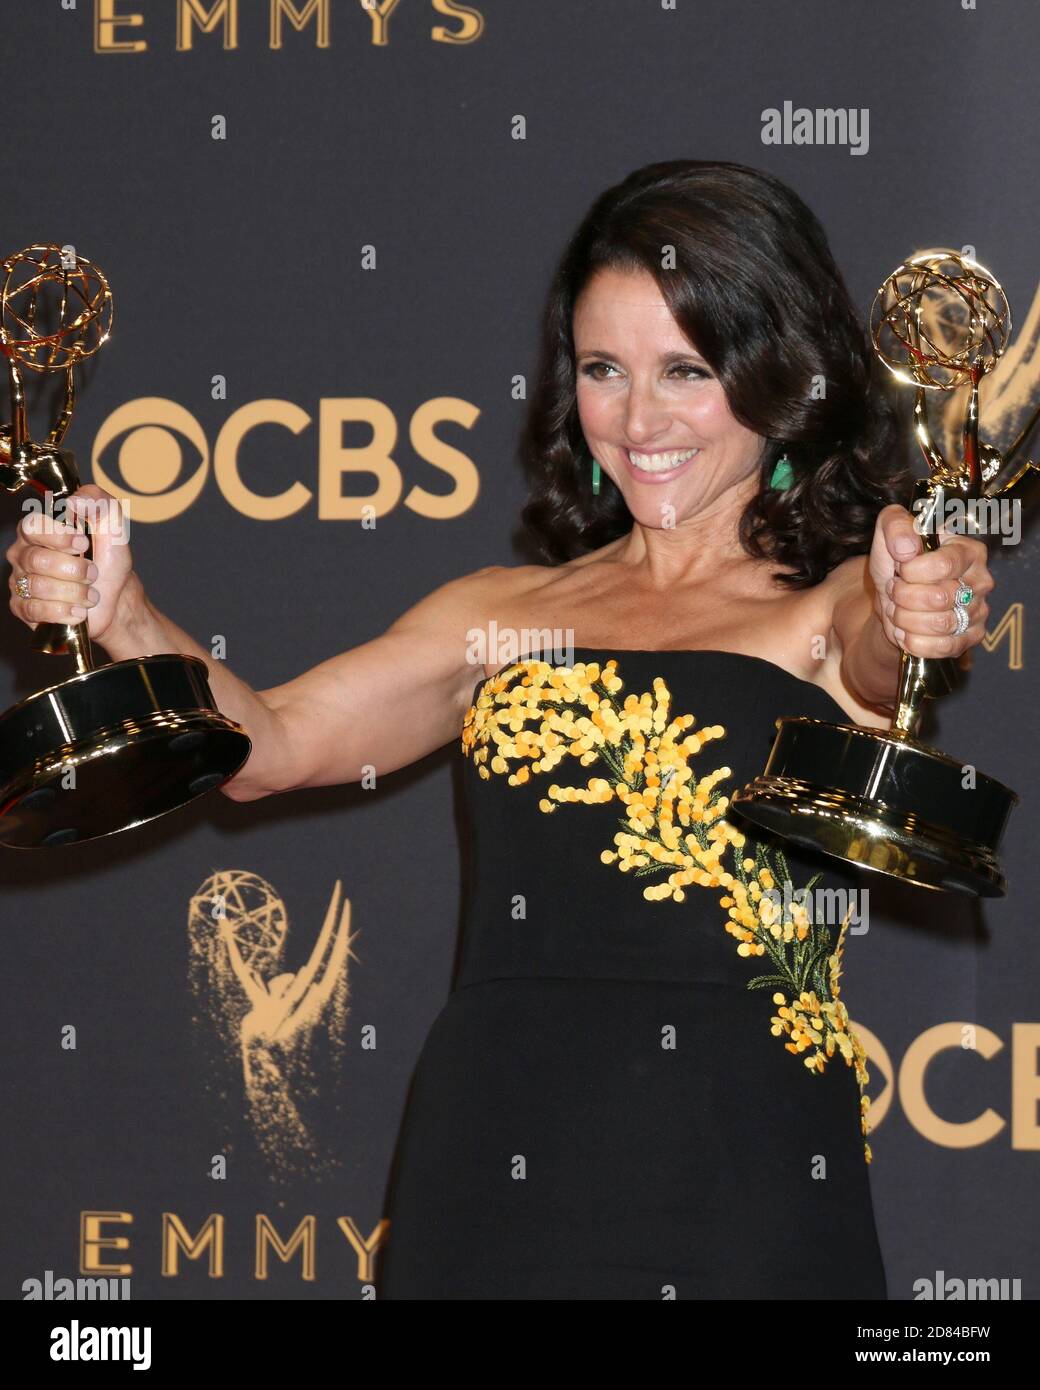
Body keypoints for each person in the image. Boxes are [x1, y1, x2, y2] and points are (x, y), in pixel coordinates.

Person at [6, 160, 994, 1300]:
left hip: (747, 1178)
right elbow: (269, 746)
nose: (638, 419)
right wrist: (121, 610)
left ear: (782, 375)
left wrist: (926, 605)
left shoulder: (828, 606)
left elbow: (893, 639)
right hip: (493, 1177)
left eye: (686, 368)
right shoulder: (498, 614)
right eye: (602, 370)